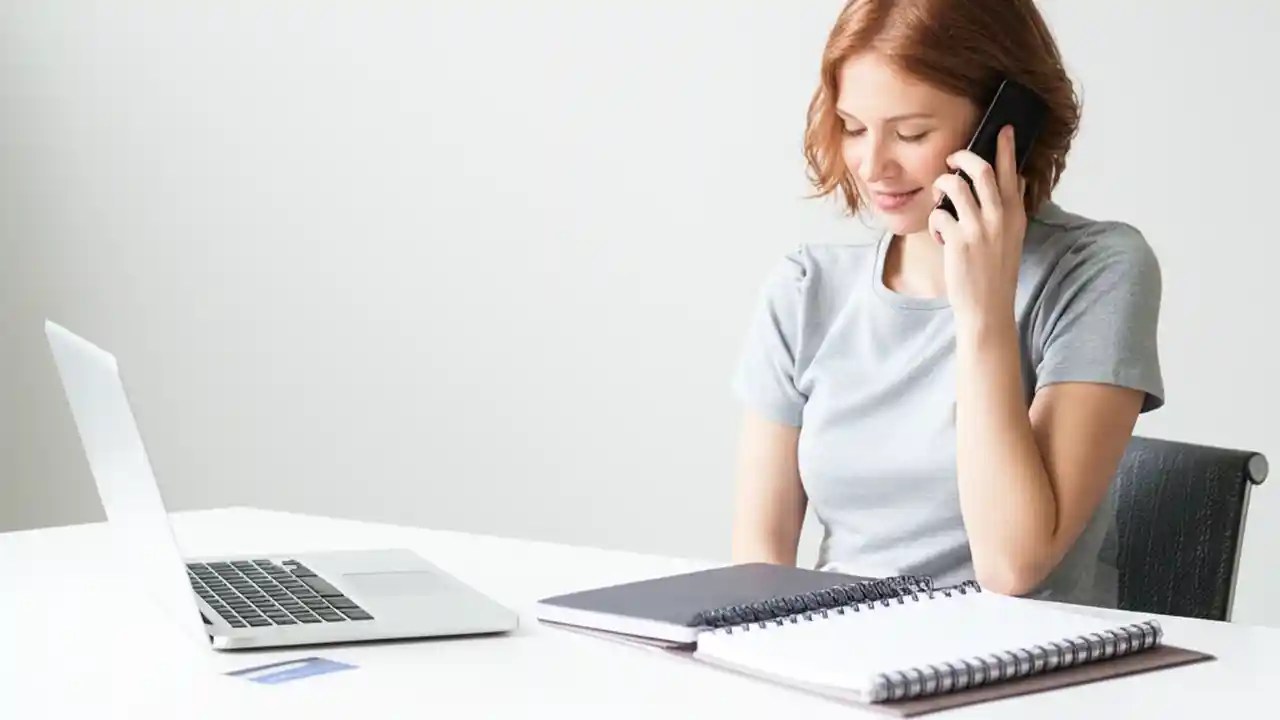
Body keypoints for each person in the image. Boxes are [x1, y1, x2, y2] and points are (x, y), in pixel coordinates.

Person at [729, 0, 1163, 609]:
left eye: (911, 133)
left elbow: (1014, 565)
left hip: (1015, 679)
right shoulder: (805, 290)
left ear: (1004, 125)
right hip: (840, 665)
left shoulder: (1096, 271)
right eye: (853, 127)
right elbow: (757, 568)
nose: (872, 165)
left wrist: (982, 309)